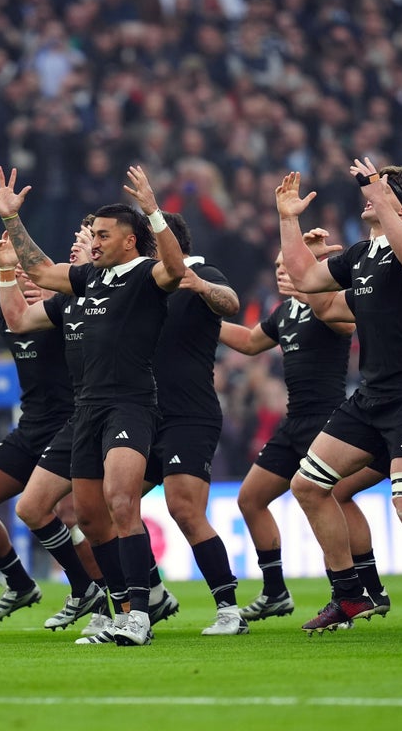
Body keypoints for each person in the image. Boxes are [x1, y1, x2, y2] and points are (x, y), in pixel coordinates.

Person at [0, 165, 187, 647]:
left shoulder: (146, 274)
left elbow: (177, 270)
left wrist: (153, 211)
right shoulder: (88, 280)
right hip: (87, 411)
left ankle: (139, 616)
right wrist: (12, 219)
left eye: (103, 235)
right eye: (92, 234)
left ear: (129, 241)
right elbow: (39, 273)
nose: (93, 242)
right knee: (92, 519)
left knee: (122, 502)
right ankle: (121, 610)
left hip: (130, 405)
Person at [276, 164, 402, 642]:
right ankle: (350, 593)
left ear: (400, 205)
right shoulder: (362, 254)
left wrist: (381, 196)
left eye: (381, 188)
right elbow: (305, 277)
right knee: (307, 485)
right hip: (370, 395)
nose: (368, 193)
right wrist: (287, 219)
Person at [222, 242, 354, 622]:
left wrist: (313, 288)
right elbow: (250, 342)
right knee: (250, 499)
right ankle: (275, 592)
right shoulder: (284, 313)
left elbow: (347, 325)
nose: (281, 271)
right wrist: (205, 321)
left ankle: (347, 593)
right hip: (293, 423)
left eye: (288, 265)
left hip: (328, 423)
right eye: (278, 266)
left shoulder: (329, 305)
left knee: (328, 501)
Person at [0, 260, 75, 626]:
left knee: (76, 516)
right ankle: (20, 583)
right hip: (30, 429)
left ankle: (102, 596)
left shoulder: (67, 311)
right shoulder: (4, 314)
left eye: (33, 271)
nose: (27, 279)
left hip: (72, 427)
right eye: (17, 273)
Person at [144, 213, 246, 635]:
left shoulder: (200, 273)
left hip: (189, 414)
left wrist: (202, 286)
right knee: (108, 504)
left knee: (184, 508)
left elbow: (231, 303)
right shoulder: (143, 285)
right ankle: (152, 594)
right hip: (142, 416)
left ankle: (229, 610)